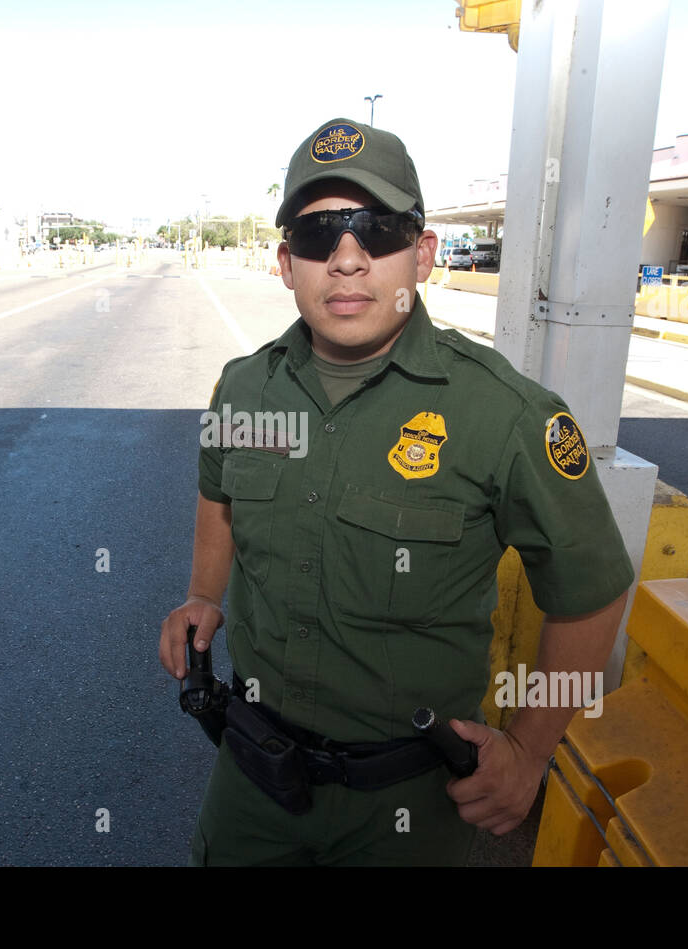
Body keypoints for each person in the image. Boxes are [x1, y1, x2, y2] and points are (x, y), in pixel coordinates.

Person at [159, 118, 635, 866]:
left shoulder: (505, 416)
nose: (346, 260)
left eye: (375, 231)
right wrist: (203, 596)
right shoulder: (245, 387)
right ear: (287, 263)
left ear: (422, 254)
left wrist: (531, 750)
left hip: (407, 805)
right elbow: (219, 493)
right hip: (253, 778)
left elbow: (593, 592)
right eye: (318, 236)